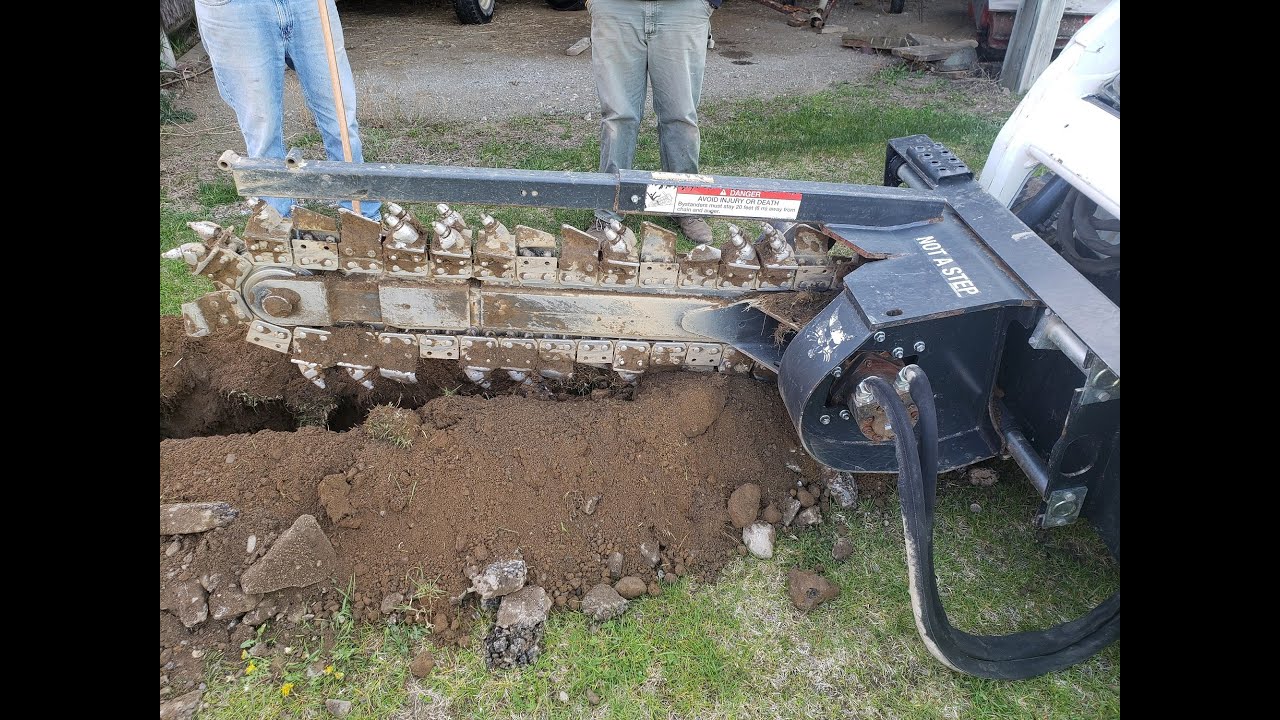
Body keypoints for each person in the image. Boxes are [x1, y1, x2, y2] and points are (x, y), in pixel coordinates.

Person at [194, 0, 381, 220]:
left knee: (340, 118)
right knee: (262, 127)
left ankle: (361, 221)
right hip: (236, 8)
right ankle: (277, 227)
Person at [588, 0, 719, 244]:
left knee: (681, 116)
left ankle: (686, 204)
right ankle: (608, 212)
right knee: (618, 117)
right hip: (616, 8)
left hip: (684, 8)